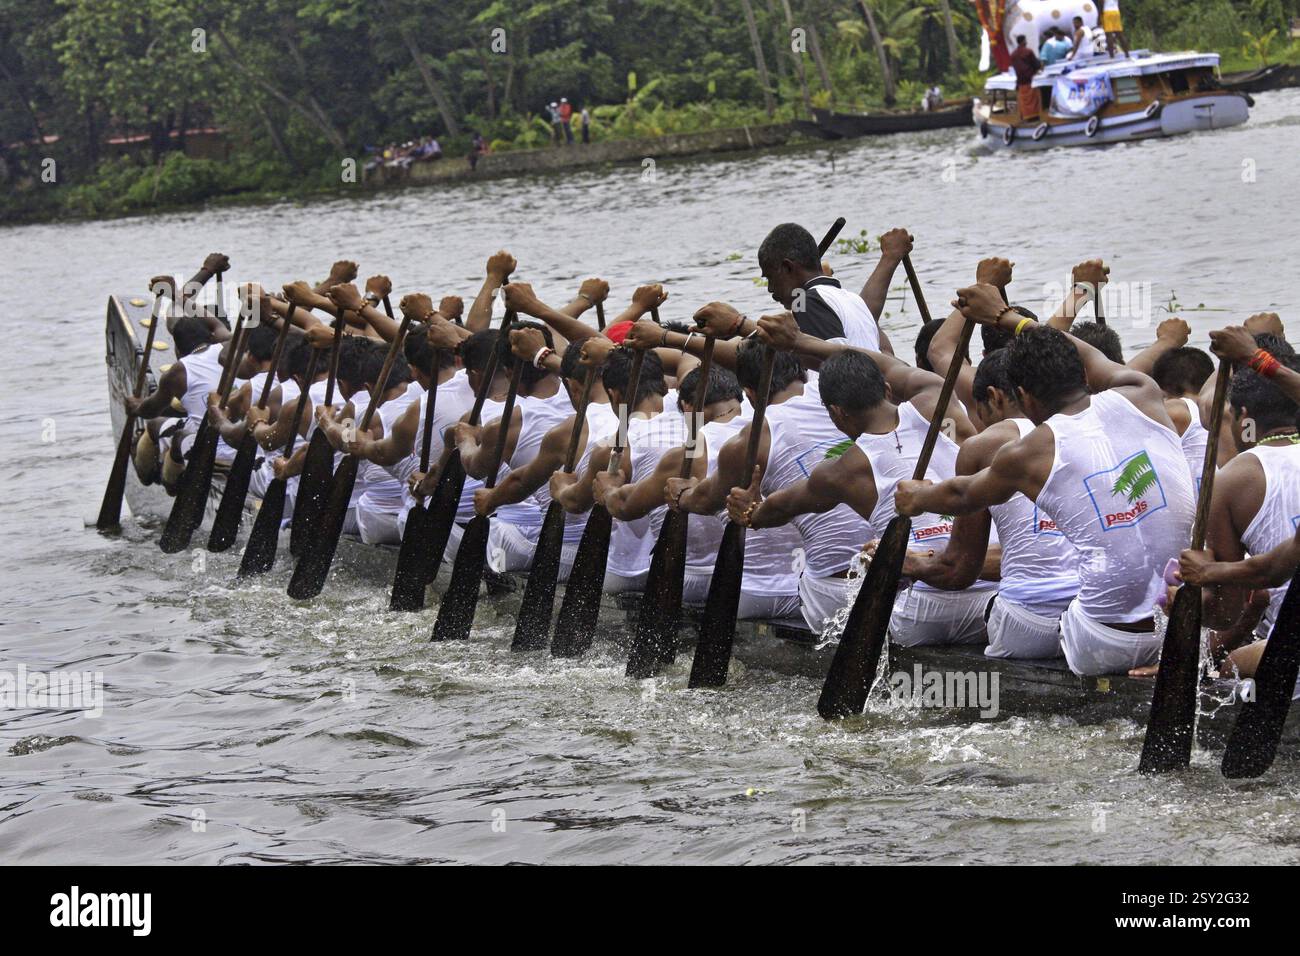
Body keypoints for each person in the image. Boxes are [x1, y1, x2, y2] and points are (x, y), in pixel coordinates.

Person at [894, 281, 1195, 677]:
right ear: (1086, 376)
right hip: (1180, 627)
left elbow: (964, 494)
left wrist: (920, 499)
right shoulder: (1141, 391)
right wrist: (1007, 318)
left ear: (1024, 396)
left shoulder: (1027, 453)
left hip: (1102, 642)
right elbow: (1079, 349)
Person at [1184, 327, 1300, 678]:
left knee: (1230, 667)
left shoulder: (1233, 479)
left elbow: (1226, 613)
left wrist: (1194, 592)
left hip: (1289, 656)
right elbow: (1277, 567)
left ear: (1244, 415)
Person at [755, 222, 905, 353]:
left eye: (770, 278)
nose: (770, 289)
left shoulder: (810, 302)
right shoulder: (853, 299)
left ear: (787, 268)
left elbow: (838, 366)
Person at [1009, 35, 1042, 121]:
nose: (1026, 42)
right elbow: (1036, 64)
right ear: (1023, 41)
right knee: (1034, 99)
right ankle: (1037, 115)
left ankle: (1026, 116)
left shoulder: (1013, 55)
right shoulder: (1028, 52)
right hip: (1030, 80)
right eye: (1025, 40)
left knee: (1024, 101)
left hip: (1020, 81)